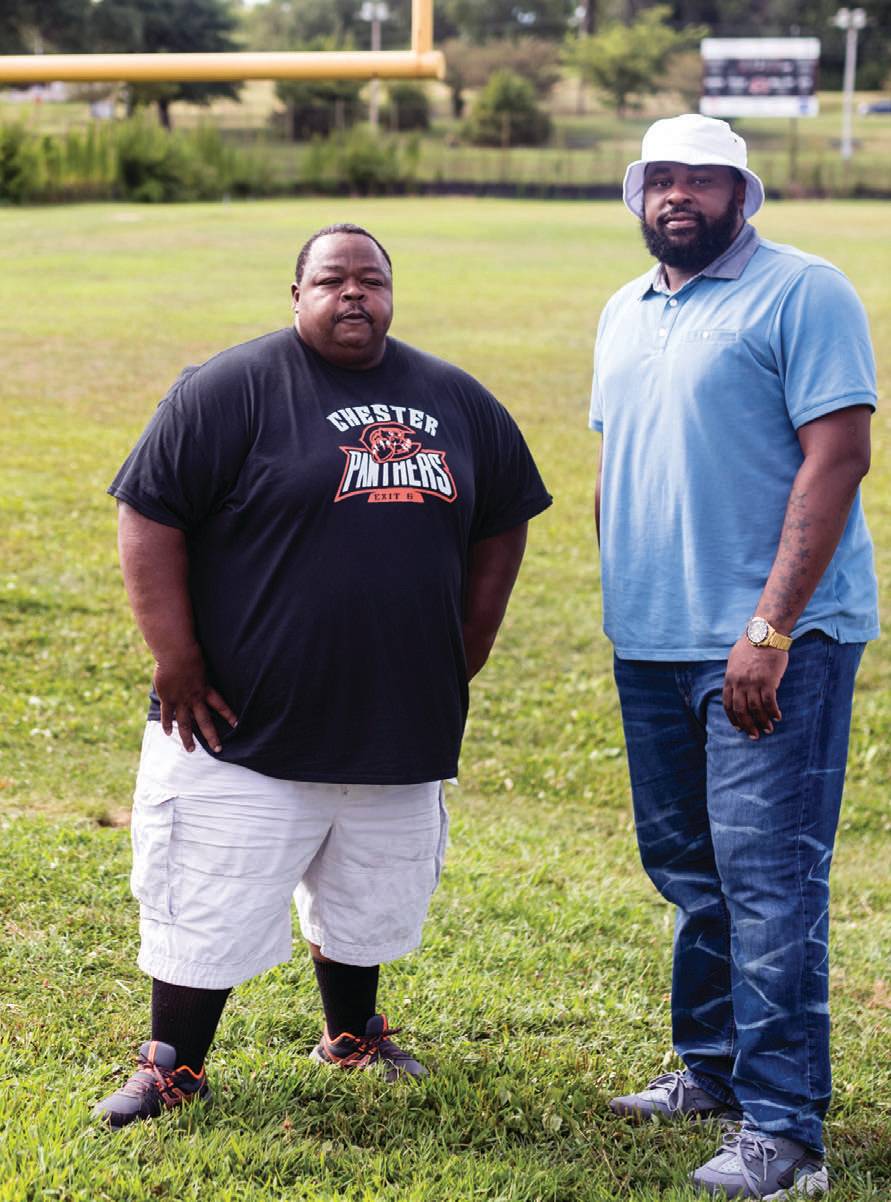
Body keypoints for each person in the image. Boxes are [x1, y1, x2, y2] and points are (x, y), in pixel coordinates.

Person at [95, 222, 552, 1129]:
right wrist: (175, 657)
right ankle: (173, 1067)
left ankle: (351, 1035)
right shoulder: (231, 387)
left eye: (370, 280)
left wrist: (471, 637)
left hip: (394, 715)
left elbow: (506, 511)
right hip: (240, 722)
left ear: (390, 294)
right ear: (297, 294)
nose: (354, 294)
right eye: (333, 279)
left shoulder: (453, 397)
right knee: (208, 890)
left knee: (368, 889)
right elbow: (148, 513)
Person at [589, 115, 877, 1198]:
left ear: (740, 193)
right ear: (639, 194)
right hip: (654, 641)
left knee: (768, 882)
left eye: (702, 180)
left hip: (770, 642)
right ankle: (710, 1069)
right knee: (690, 873)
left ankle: (785, 1129)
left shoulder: (803, 292)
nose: (679, 195)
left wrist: (769, 629)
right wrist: (626, 607)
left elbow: (838, 457)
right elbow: (621, 462)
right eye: (661, 178)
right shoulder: (625, 308)